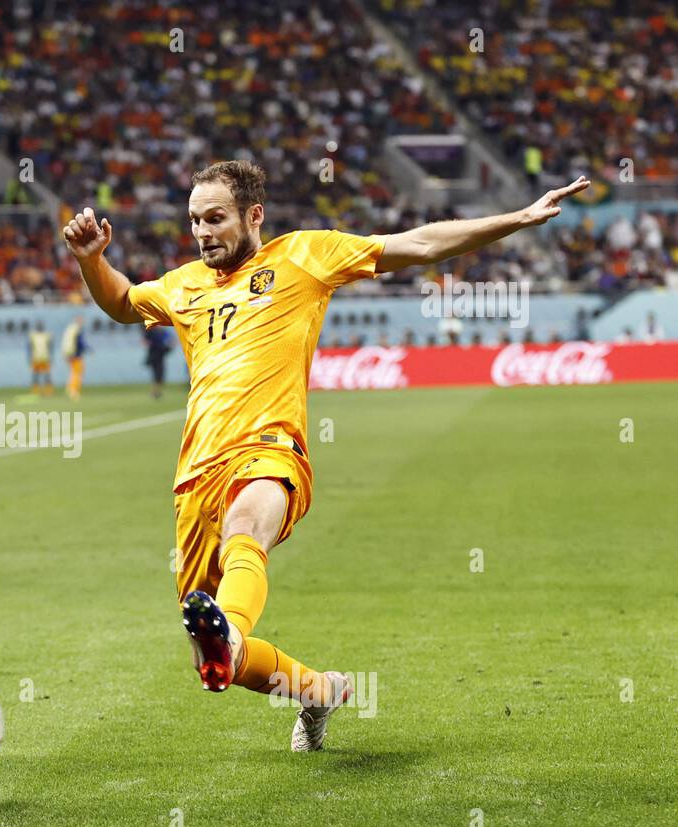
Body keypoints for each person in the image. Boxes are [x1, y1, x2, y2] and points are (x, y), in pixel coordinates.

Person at [62, 160, 589, 752]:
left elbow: (416, 245)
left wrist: (519, 216)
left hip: (268, 450)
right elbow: (124, 302)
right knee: (216, 667)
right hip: (195, 477)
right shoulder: (182, 284)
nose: (203, 231)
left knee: (246, 532)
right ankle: (317, 690)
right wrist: (91, 262)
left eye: (215, 218)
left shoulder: (303, 258)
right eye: (194, 220)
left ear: (253, 215)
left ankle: (229, 630)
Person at [61, 314, 88, 401]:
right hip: (76, 354)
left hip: (69, 353)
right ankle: (74, 391)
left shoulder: (71, 329)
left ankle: (69, 388)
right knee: (77, 372)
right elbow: (80, 343)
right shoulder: (78, 330)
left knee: (74, 372)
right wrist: (87, 348)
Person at [143, 324, 171, 398]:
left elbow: (169, 342)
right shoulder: (151, 332)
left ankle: (157, 391)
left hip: (160, 356)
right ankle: (155, 392)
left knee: (159, 375)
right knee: (157, 374)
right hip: (154, 356)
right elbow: (145, 341)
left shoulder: (163, 332)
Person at [28, 322, 53, 395]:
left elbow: (30, 348)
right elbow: (50, 347)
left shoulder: (33, 335)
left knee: (39, 376)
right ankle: (47, 392)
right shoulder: (46, 335)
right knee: (43, 376)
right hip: (43, 358)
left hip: (38, 358)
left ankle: (38, 392)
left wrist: (29, 358)